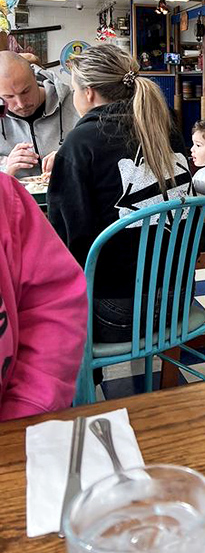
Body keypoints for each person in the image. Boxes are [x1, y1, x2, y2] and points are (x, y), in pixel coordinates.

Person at [48, 44, 193, 343]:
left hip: (119, 314)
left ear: (88, 92)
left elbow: (68, 241)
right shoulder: (164, 128)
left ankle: (89, 383)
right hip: (178, 299)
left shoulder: (81, 142)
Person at [0, 173, 87, 420]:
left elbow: (74, 236)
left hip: (115, 313)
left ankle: (93, 378)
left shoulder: (79, 148)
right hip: (176, 302)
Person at [0, 51, 79, 178]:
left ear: (34, 76)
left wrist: (73, 158)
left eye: (26, 91)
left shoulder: (75, 104)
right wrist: (5, 168)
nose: (21, 104)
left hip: (72, 194)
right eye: (9, 97)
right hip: (15, 196)